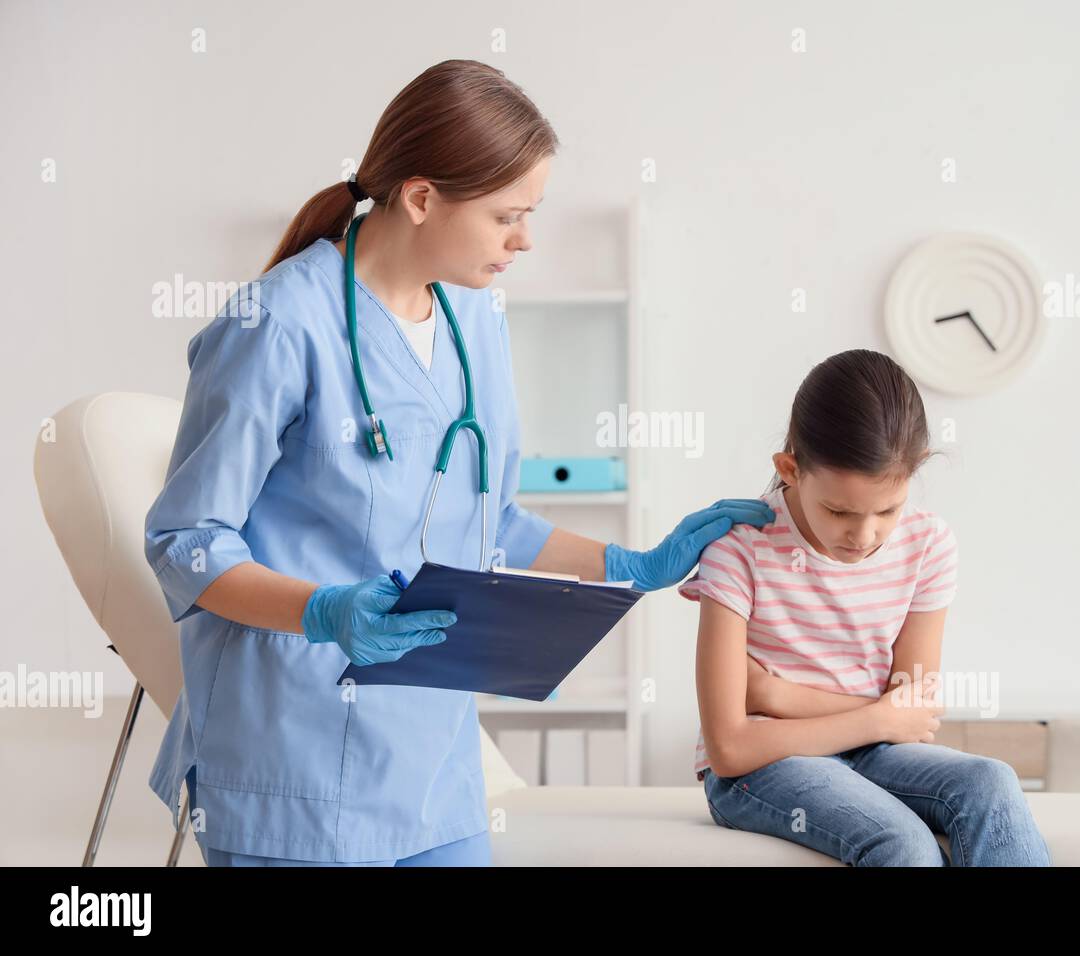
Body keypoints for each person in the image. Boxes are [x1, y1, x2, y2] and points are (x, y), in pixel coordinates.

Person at [144, 59, 774, 867]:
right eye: (508, 215)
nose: (526, 239)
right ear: (420, 198)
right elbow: (186, 541)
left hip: (433, 762)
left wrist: (627, 564)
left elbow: (489, 523)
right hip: (291, 757)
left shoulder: (473, 317)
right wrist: (325, 611)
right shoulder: (278, 324)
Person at [679, 349, 1051, 866]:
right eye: (839, 510)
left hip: (874, 752)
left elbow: (912, 710)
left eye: (888, 510)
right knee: (903, 843)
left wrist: (773, 692)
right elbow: (731, 747)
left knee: (991, 781)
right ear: (790, 469)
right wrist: (879, 716)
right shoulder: (739, 548)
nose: (864, 534)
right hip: (763, 765)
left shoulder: (927, 544)